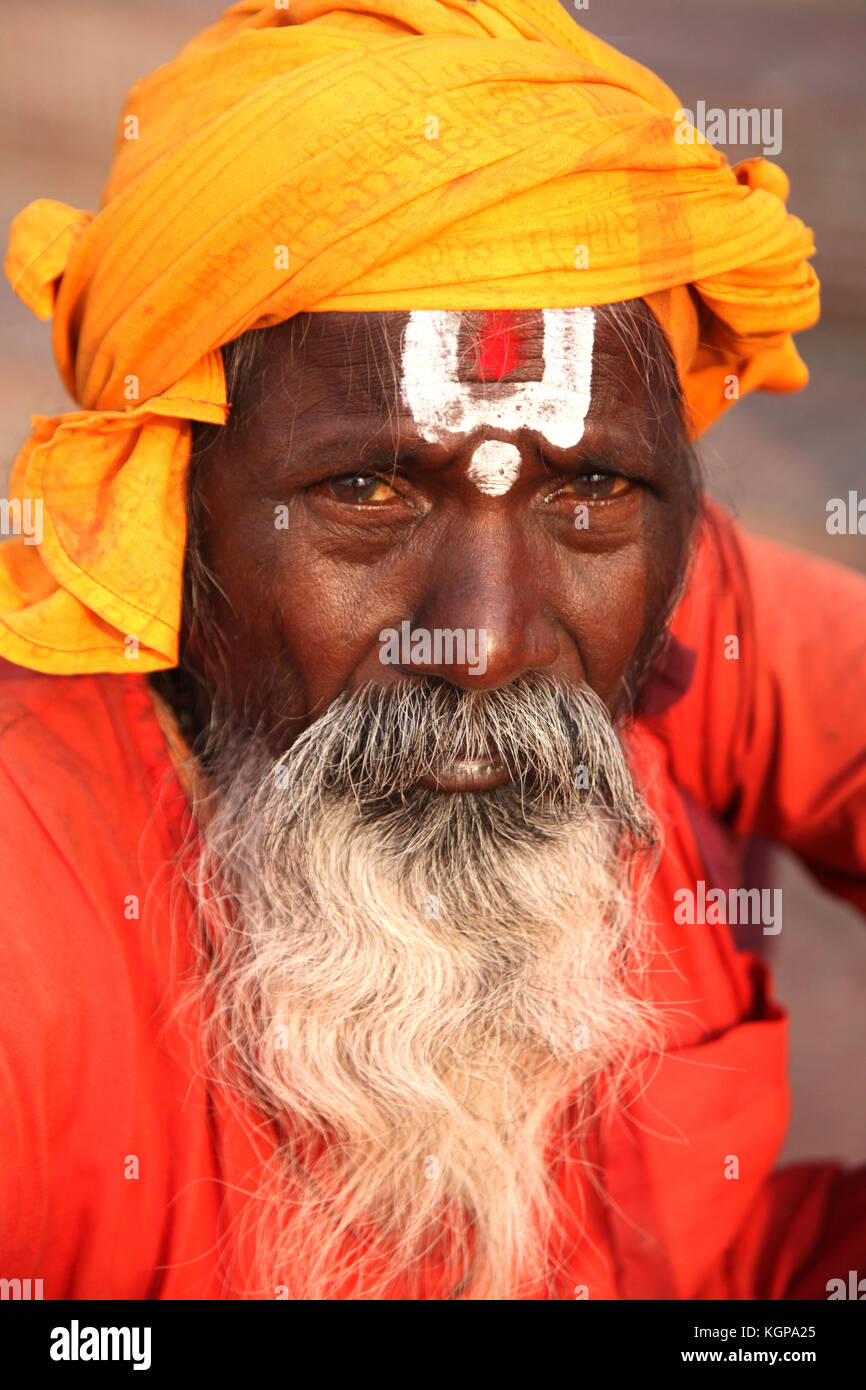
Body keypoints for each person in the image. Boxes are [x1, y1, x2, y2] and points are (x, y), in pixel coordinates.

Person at [0, 0, 863, 1301]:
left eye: (587, 490)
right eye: (367, 492)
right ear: (166, 505)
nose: (488, 640)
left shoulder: (669, 599)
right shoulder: (33, 914)